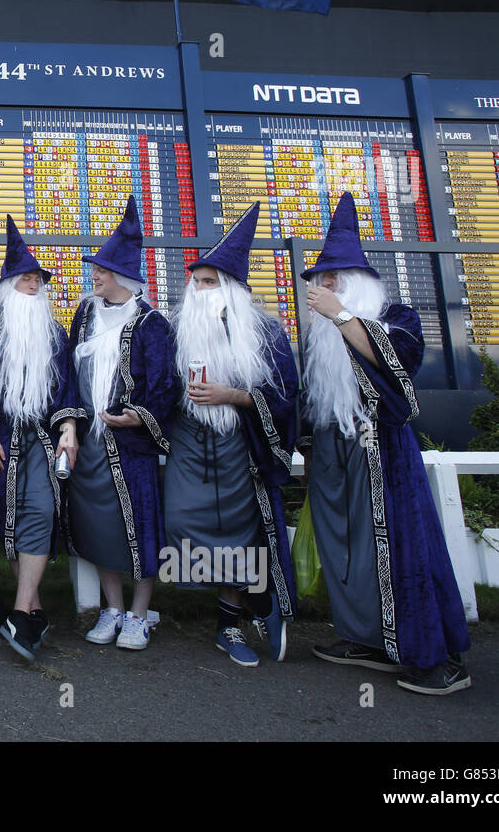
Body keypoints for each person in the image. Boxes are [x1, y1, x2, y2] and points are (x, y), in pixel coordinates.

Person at [301, 191, 472, 695]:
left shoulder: (395, 317)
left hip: (385, 459)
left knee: (403, 551)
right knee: (348, 550)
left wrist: (340, 315)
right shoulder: (320, 335)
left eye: (331, 279)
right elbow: (314, 396)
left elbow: (399, 367)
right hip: (338, 455)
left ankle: (432, 655)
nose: (320, 286)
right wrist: (311, 450)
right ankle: (368, 638)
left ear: (355, 284)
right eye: (318, 279)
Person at [162, 202, 299, 667]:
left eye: (209, 282)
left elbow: (284, 399)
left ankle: (230, 623)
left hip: (238, 447)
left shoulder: (266, 334)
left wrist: (235, 396)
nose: (199, 291)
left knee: (241, 536)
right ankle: (256, 600)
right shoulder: (174, 330)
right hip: (187, 443)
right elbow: (156, 385)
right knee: (181, 524)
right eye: (195, 282)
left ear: (233, 289)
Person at [67, 195, 177, 652]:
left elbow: (164, 385)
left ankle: (138, 614)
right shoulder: (84, 316)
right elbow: (68, 376)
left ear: (124, 277)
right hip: (90, 445)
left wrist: (139, 417)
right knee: (99, 526)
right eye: (96, 268)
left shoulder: (152, 325)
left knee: (141, 526)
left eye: (104, 270)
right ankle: (112, 608)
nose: (96, 275)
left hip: (132, 446)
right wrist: (70, 425)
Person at [0, 216, 81, 660]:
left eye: (38, 280)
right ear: (7, 285)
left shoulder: (55, 334)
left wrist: (69, 425)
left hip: (40, 438)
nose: (34, 286)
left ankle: (19, 610)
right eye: (25, 279)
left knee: (40, 509)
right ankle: (31, 611)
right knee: (10, 521)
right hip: (0, 441)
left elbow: (68, 387)